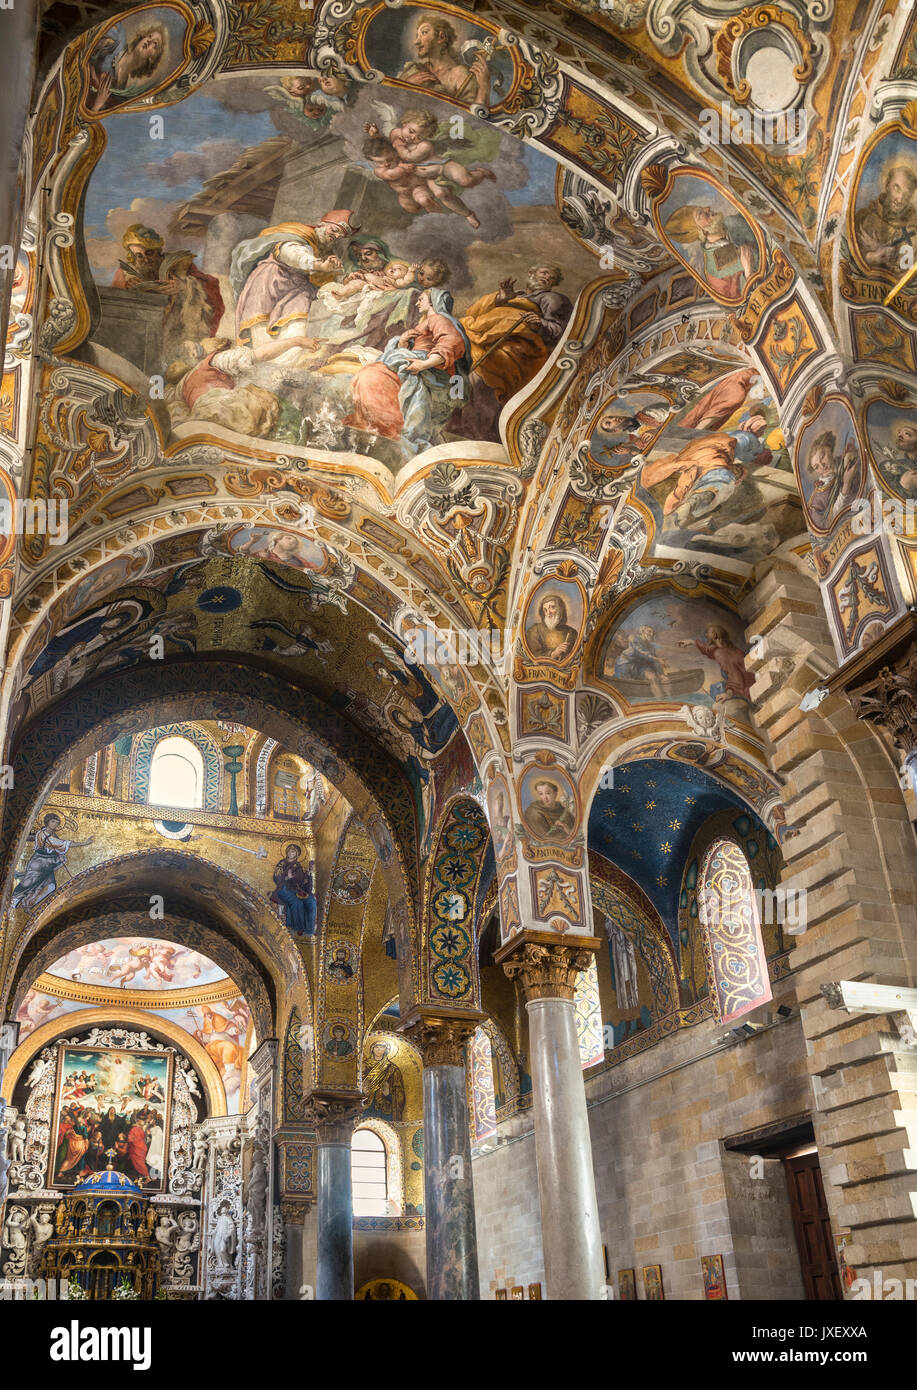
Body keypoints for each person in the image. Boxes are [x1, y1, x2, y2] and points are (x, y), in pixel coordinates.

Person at [346, 287, 470, 457]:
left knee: (373, 376)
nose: (417, 303)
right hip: (411, 361)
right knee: (370, 375)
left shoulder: (438, 319)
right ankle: (382, 425)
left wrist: (423, 364)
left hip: (428, 370)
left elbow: (452, 343)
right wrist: (404, 342)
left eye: (421, 299)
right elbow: (416, 346)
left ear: (432, 301)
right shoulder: (425, 322)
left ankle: (389, 427)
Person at [230, 209, 360, 345]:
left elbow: (327, 277)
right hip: (272, 280)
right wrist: (319, 265)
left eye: (341, 235)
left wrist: (346, 279)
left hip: (298, 290)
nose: (337, 236)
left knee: (295, 330)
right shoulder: (300, 234)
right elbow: (292, 253)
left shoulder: (326, 251)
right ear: (322, 225)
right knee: (261, 333)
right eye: (334, 230)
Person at [460, 265, 573, 409]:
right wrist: (500, 298)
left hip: (517, 343)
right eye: (544, 273)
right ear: (531, 273)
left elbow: (560, 331)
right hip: (481, 336)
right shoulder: (516, 294)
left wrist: (539, 325)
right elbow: (472, 313)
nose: (547, 278)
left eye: (552, 278)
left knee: (487, 370)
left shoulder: (552, 298)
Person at [112, 225, 224, 363]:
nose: (146, 260)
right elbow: (114, 310)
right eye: (139, 256)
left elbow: (212, 288)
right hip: (143, 336)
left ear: (158, 251)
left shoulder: (179, 267)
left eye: (149, 253)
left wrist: (184, 286)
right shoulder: (125, 275)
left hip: (177, 334)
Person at [398, 15, 491, 106]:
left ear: (441, 37)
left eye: (424, 32)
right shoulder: (412, 70)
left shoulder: (460, 75)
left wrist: (484, 88)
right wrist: (407, 86)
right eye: (417, 35)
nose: (416, 41)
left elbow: (470, 118)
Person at [11, 813, 94, 912]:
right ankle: (14, 900)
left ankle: (29, 904)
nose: (55, 824)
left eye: (57, 823)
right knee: (28, 882)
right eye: (53, 821)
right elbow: (62, 844)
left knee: (51, 886)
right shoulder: (42, 833)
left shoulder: (54, 835)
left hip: (49, 864)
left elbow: (58, 846)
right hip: (39, 862)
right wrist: (84, 843)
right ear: (47, 822)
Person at [87, 19, 168, 112]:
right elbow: (84, 49)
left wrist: (98, 105)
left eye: (155, 43)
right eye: (149, 36)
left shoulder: (122, 88)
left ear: (153, 57)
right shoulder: (117, 38)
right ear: (141, 37)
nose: (149, 41)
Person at [855, 161, 917, 270]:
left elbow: (907, 274)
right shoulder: (864, 217)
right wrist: (870, 257)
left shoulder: (913, 229)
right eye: (897, 188)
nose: (899, 199)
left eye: (906, 195)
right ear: (887, 185)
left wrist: (881, 254)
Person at [678, 625, 753, 705]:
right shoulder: (730, 649)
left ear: (715, 635)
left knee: (716, 691)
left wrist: (729, 693)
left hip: (745, 686)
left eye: (709, 632)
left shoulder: (720, 654)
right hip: (748, 680)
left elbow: (733, 673)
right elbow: (708, 649)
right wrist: (692, 642)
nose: (706, 635)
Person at [803, 429, 860, 530]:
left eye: (822, 456)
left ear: (829, 448)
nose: (822, 466)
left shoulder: (842, 462)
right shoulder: (819, 496)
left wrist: (854, 454)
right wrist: (846, 484)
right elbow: (829, 522)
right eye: (816, 467)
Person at [270, 843, 317, 935]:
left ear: (297, 854)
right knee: (296, 902)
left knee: (311, 901)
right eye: (290, 851)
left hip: (297, 891)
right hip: (283, 889)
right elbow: (277, 878)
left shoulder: (298, 865)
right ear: (287, 852)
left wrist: (309, 874)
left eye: (294, 852)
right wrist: (288, 877)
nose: (291, 853)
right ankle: (297, 928)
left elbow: (302, 881)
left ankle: (310, 929)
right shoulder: (282, 863)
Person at [614, 625, 669, 698]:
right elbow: (639, 652)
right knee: (626, 687)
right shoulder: (634, 638)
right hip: (626, 665)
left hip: (640, 666)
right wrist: (657, 659)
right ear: (642, 632)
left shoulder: (651, 647)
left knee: (653, 677)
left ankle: (661, 699)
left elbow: (655, 662)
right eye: (649, 631)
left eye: (653, 632)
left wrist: (661, 673)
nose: (651, 634)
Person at [525, 592, 579, 662]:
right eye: (545, 610)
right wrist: (553, 654)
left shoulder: (571, 632)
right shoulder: (534, 630)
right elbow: (533, 655)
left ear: (560, 609)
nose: (548, 613)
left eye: (552, 607)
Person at [364, 1040, 406, 1121]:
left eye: (382, 1047)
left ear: (386, 1050)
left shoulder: (392, 1068)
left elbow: (399, 1091)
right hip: (366, 1104)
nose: (379, 1049)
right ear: (372, 1049)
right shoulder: (363, 1066)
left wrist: (388, 1094)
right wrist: (363, 1090)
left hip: (385, 1105)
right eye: (376, 1047)